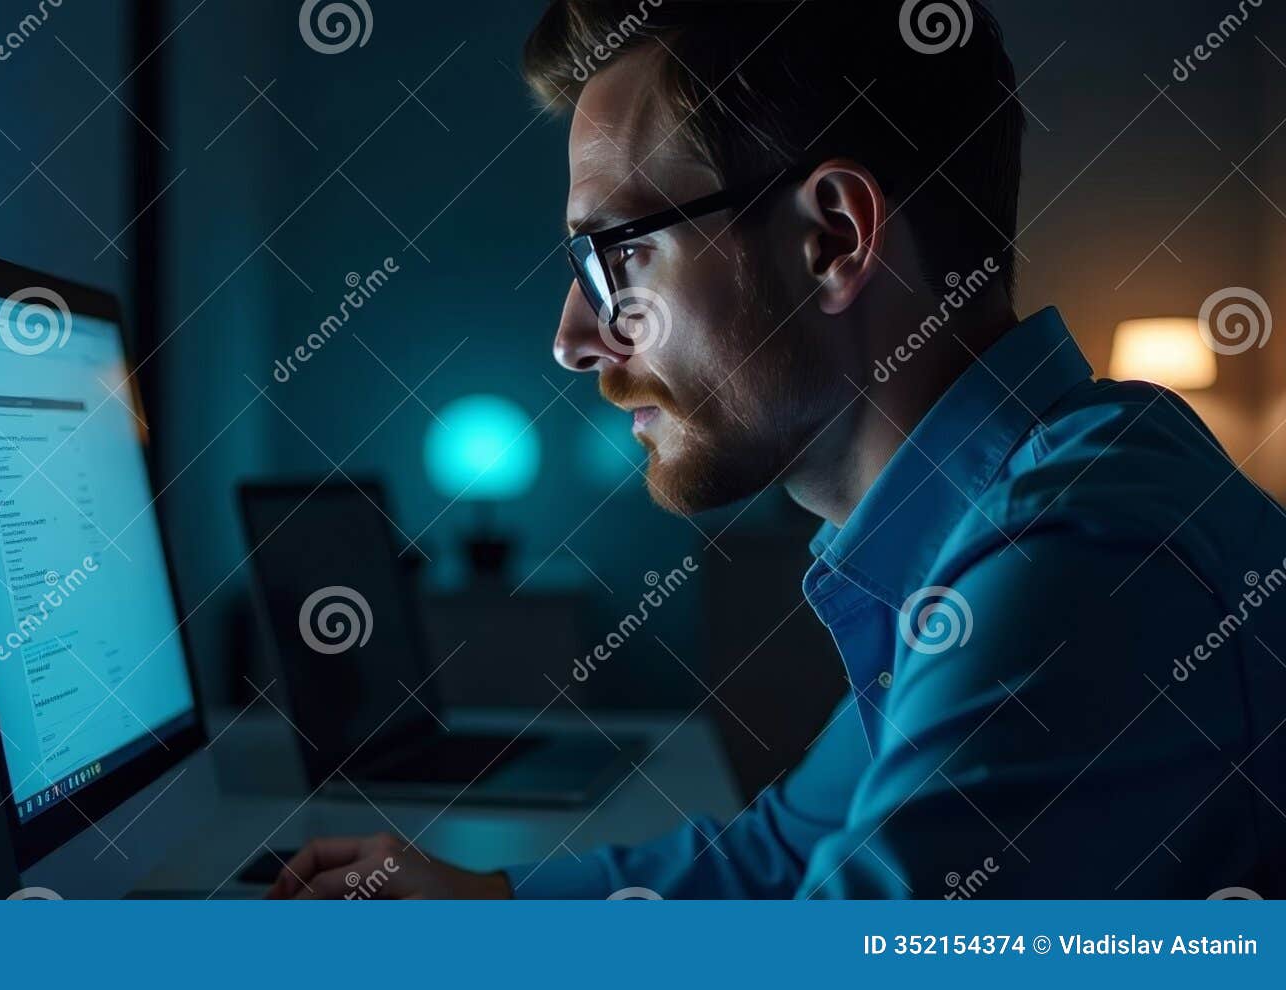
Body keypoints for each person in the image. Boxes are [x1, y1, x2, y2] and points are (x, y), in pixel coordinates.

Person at [267, 0, 1286, 899]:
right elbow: (787, 856)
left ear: (833, 240)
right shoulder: (980, 525)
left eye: (616, 252)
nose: (574, 337)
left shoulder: (1073, 559)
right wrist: (491, 907)